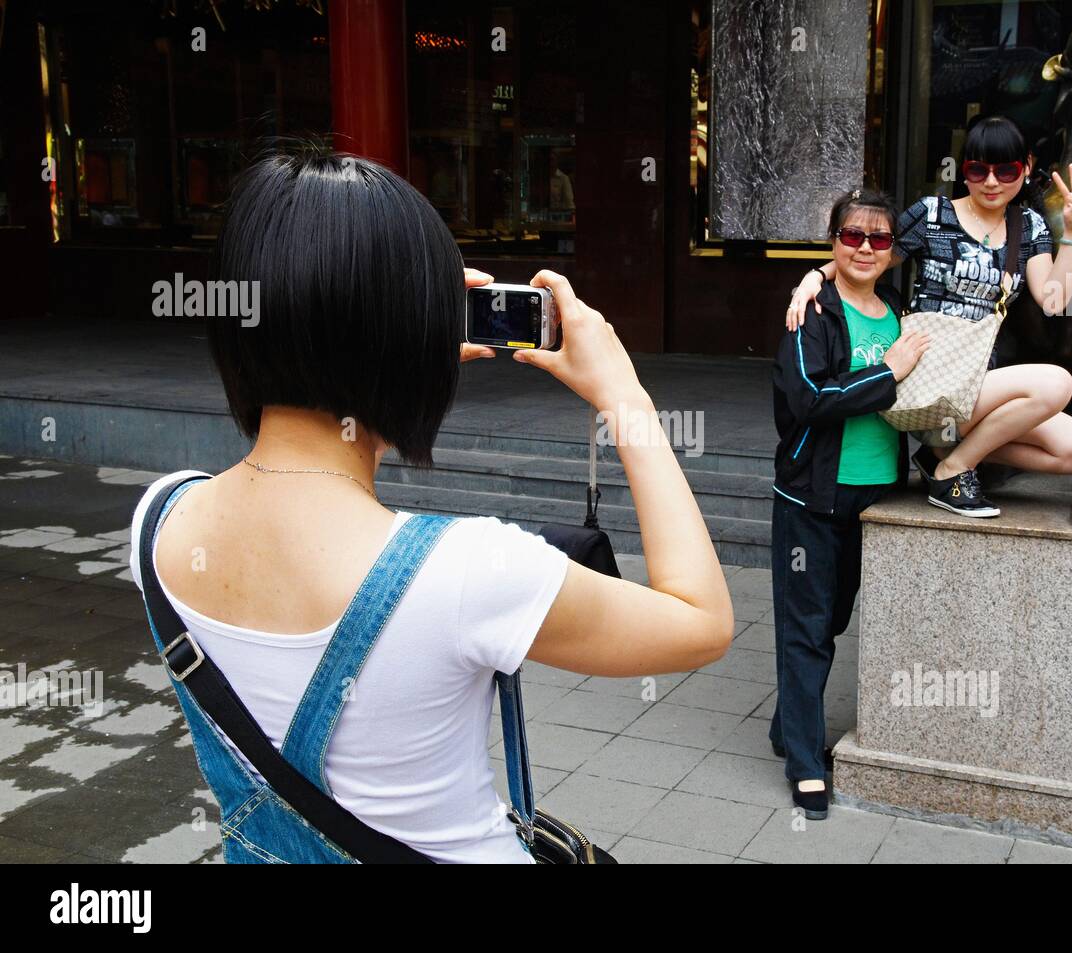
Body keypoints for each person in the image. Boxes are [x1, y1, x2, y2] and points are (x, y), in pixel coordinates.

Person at [128, 148, 733, 863]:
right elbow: (702, 621)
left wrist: (394, 354)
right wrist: (624, 397)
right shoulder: (470, 571)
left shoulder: (160, 519)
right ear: (407, 345)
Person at [786, 116, 1072, 517]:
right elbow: (870, 254)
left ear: (1025, 168)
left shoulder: (1029, 226)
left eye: (1006, 170)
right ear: (963, 169)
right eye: (977, 169)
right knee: (1057, 383)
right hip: (927, 379)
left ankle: (945, 455)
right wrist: (817, 276)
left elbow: (1053, 300)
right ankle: (955, 468)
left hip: (977, 387)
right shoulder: (931, 214)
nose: (991, 182)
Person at [771, 188, 929, 818]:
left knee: (832, 621)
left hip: (877, 497)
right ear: (832, 239)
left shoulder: (897, 309)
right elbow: (808, 396)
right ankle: (806, 763)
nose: (864, 247)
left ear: (895, 250)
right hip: (812, 497)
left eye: (880, 238)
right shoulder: (812, 311)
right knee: (807, 631)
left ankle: (790, 724)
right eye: (851, 236)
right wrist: (888, 370)